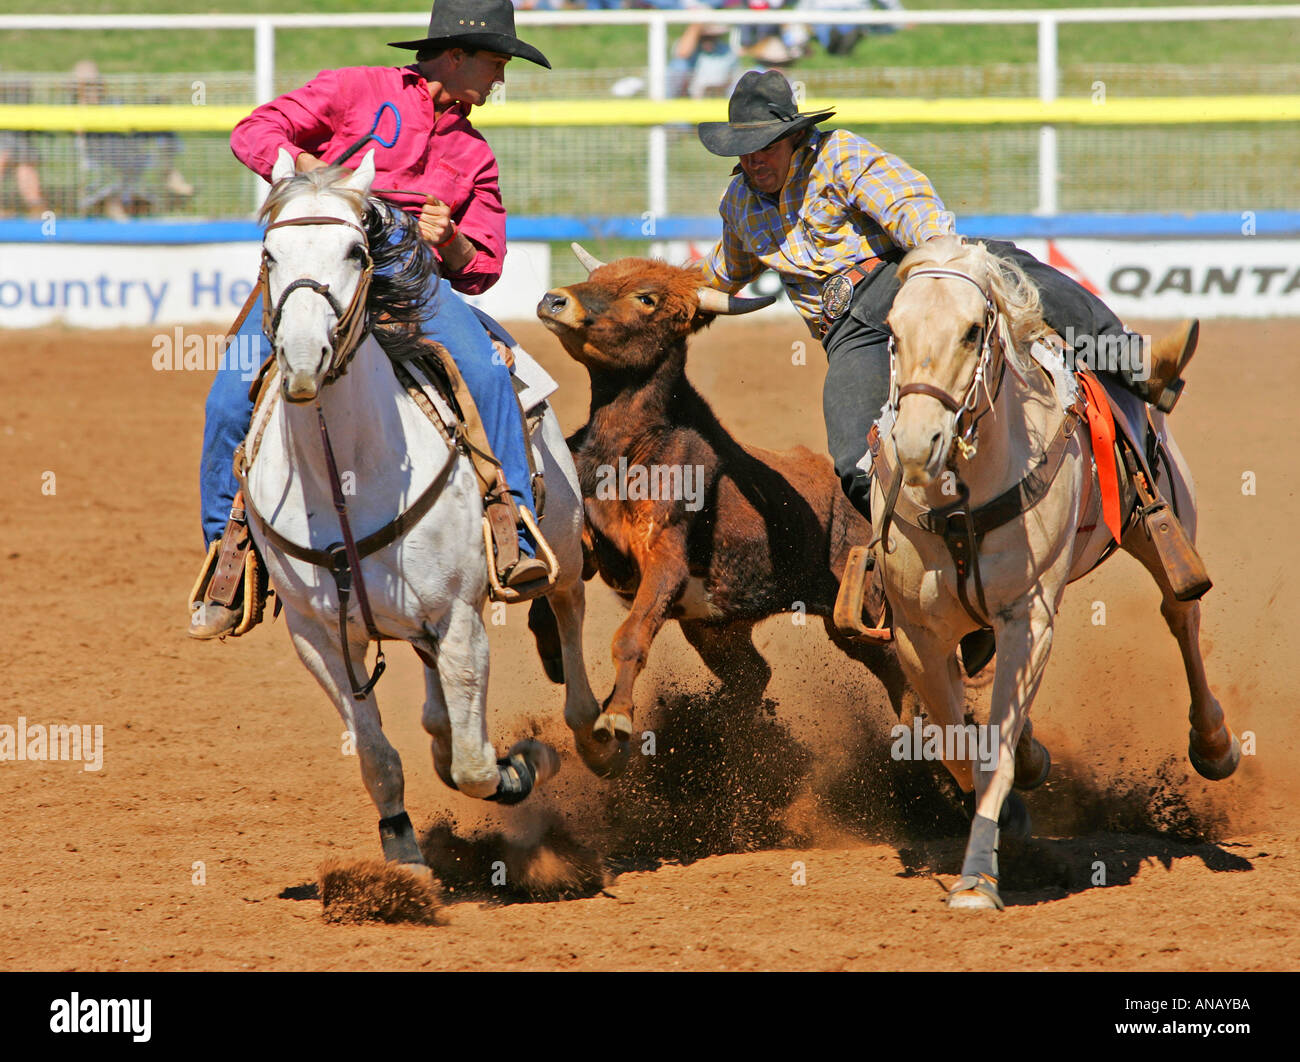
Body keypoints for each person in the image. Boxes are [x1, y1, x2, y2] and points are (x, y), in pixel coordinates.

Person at [695, 70, 1199, 655]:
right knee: (852, 461)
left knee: (1017, 277)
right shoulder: (739, 205)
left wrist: (941, 274)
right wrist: (655, 296)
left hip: (900, 284)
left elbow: (917, 212)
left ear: (794, 136)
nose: (756, 161)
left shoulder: (842, 158)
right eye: (745, 150)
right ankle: (926, 576)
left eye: (766, 146)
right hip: (845, 336)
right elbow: (721, 278)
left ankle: (1134, 363)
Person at [190, 0, 553, 638]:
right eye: (496, 63)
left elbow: (483, 267)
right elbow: (252, 132)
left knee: (493, 377)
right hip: (316, 273)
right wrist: (316, 176)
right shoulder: (355, 89)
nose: (500, 79)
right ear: (456, 54)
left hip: (412, 285)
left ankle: (513, 528)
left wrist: (453, 244)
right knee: (227, 403)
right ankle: (232, 553)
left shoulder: (474, 153)